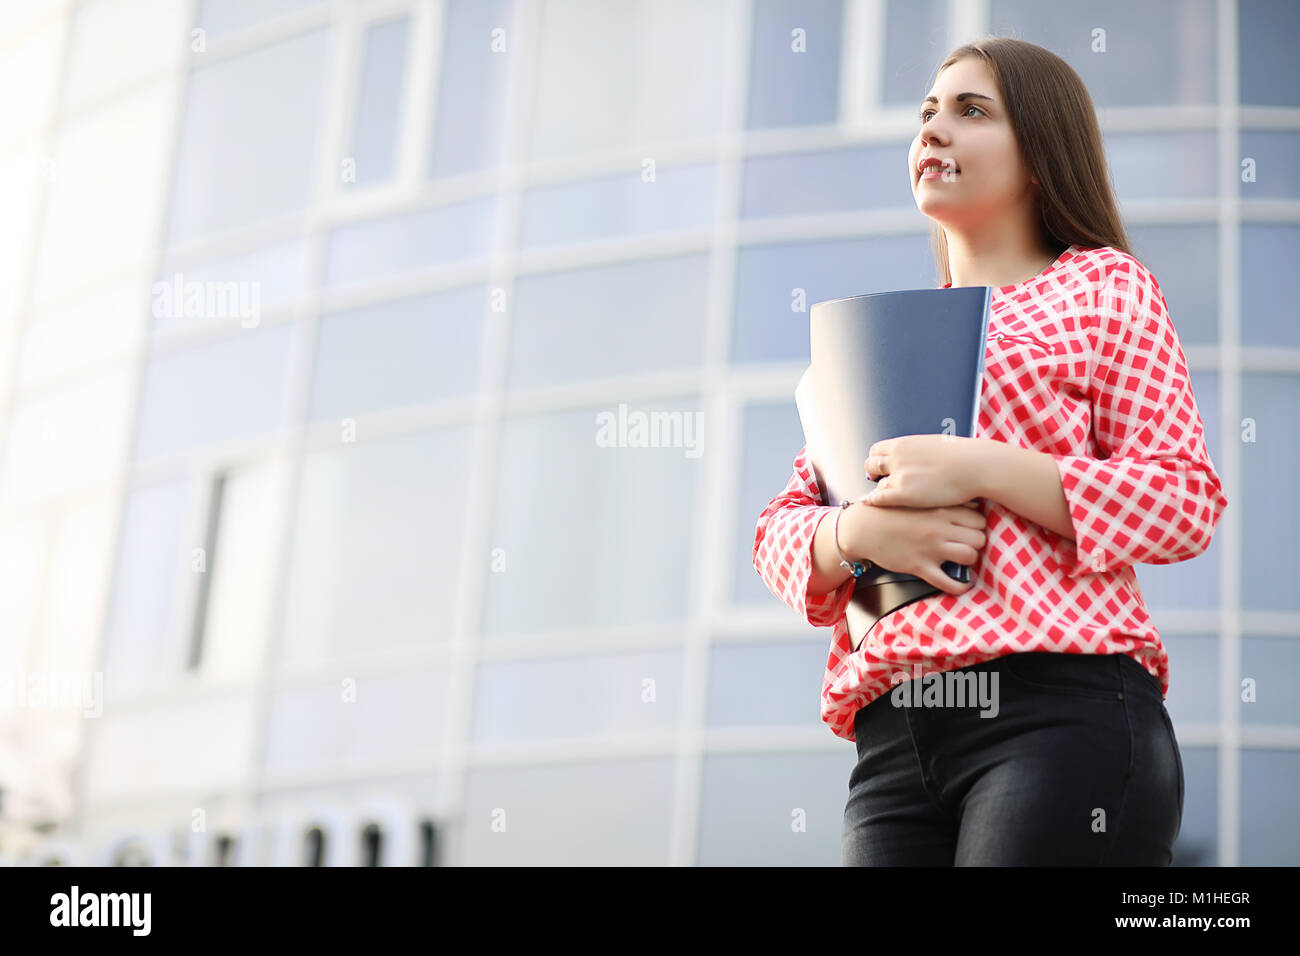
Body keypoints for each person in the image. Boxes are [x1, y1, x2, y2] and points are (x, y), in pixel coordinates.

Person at [751, 37, 1228, 866]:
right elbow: (778, 530)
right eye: (926, 113)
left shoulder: (1104, 286)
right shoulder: (883, 340)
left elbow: (1182, 500)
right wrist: (858, 536)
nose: (933, 130)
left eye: (971, 112)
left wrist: (977, 467)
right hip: (892, 747)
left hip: (1055, 717)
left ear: (1042, 155)